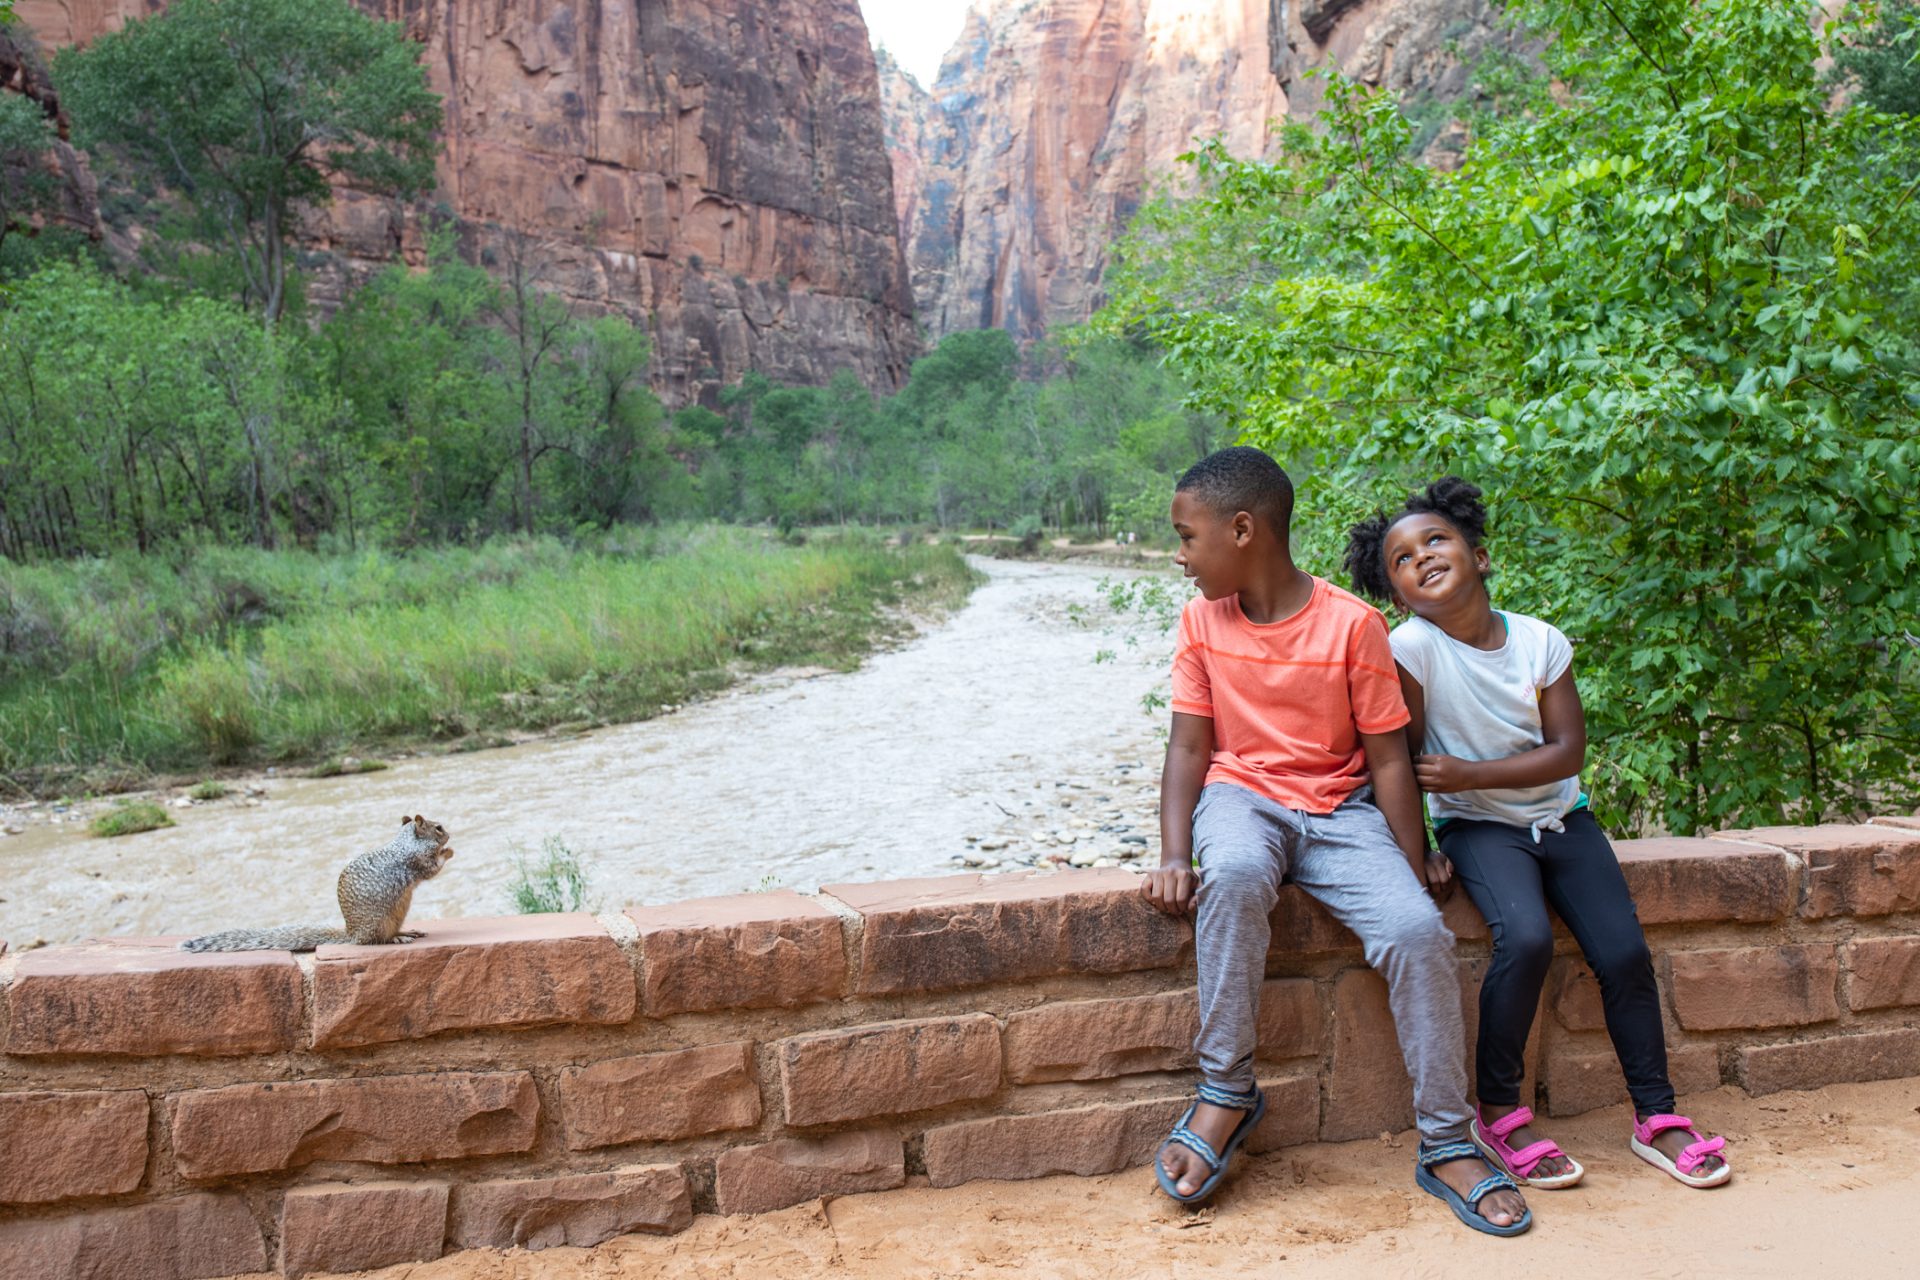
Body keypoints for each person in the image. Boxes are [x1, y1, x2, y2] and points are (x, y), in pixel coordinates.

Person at [1140, 447, 1531, 1235]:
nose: (1180, 557)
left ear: (1243, 530)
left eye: (1188, 538)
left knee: (1418, 932)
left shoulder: (1353, 625)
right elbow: (1189, 748)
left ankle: (1448, 1138)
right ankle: (1224, 1093)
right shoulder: (1200, 622)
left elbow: (1388, 757)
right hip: (1242, 799)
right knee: (1240, 874)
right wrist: (1175, 853)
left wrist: (1414, 853)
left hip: (1339, 812)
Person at [1342, 476, 1731, 1191]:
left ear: (1480, 556)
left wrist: (1469, 772)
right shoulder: (1414, 649)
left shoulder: (1540, 641)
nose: (1423, 556)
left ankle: (1659, 1117)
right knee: (1521, 939)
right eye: (1402, 559)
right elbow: (1399, 757)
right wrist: (1419, 850)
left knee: (1622, 952)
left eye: (1436, 540)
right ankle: (1499, 1110)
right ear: (1397, 596)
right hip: (1479, 831)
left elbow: (1566, 753)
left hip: (1562, 817)